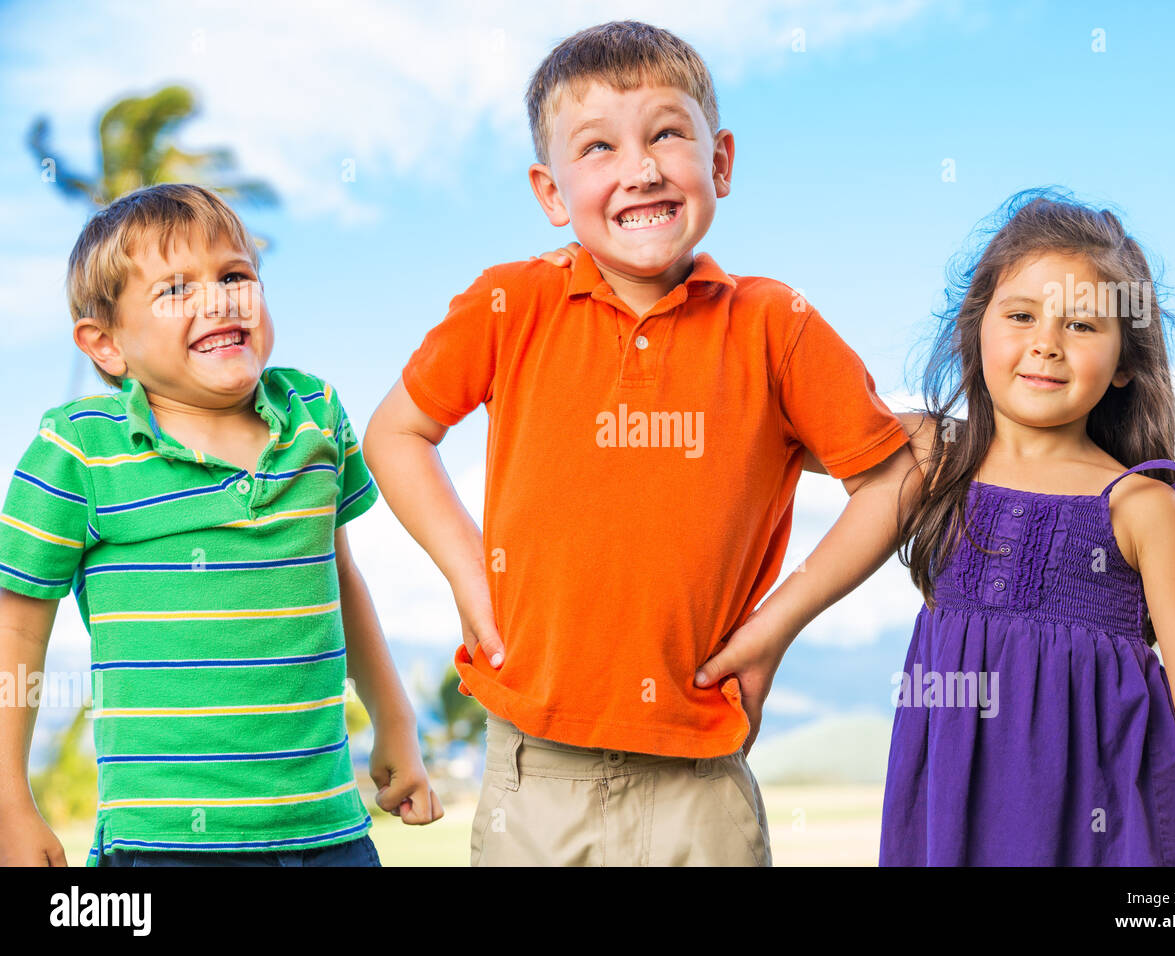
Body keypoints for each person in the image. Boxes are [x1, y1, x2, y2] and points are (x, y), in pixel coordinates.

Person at [364, 20, 920, 866]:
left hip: (700, 776)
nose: (641, 167)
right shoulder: (511, 304)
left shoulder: (777, 325)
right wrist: (472, 577)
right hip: (534, 767)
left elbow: (895, 476)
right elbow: (394, 433)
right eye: (598, 147)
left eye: (667, 133)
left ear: (720, 162)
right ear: (551, 192)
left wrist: (775, 627)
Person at [0, 184, 438, 867]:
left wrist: (396, 721)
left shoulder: (316, 415)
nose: (219, 299)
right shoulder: (77, 452)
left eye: (235, 276)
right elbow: (16, 632)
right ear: (106, 345)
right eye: (175, 289)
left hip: (330, 834)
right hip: (164, 844)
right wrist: (8, 804)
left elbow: (340, 577)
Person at [878, 189, 1175, 865]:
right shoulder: (934, 459)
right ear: (977, 330)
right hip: (952, 830)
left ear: (1124, 364)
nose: (1046, 345)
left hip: (1114, 839)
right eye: (1021, 315)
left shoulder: (1141, 507)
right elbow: (780, 416)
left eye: (1082, 327)